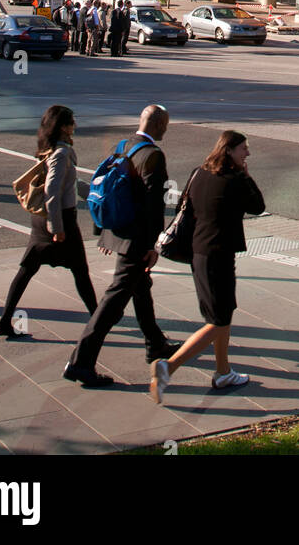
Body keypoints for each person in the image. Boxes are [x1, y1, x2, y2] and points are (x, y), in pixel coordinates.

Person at [64, 104, 176, 388]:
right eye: (165, 125)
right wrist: (153, 245)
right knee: (113, 303)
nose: (166, 129)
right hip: (136, 240)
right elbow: (154, 206)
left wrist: (104, 232)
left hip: (119, 232)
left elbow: (102, 187)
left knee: (141, 289)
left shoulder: (124, 145)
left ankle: (155, 344)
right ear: (160, 125)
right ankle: (81, 363)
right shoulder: (153, 155)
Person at [149, 130, 265, 403]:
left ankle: (223, 372)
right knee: (217, 321)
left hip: (198, 254)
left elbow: (182, 208)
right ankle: (169, 367)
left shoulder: (198, 173)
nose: (247, 154)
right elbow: (258, 206)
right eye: (243, 149)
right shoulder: (235, 179)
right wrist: (247, 175)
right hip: (219, 256)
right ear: (230, 151)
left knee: (222, 315)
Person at [0, 105, 97, 337]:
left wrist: (92, 192)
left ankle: (3, 321)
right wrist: (58, 228)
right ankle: (99, 318)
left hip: (43, 220)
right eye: (72, 121)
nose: (75, 125)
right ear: (62, 127)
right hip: (60, 220)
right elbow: (52, 190)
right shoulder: (61, 154)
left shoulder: (50, 150)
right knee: (80, 271)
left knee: (27, 269)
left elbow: (68, 182)